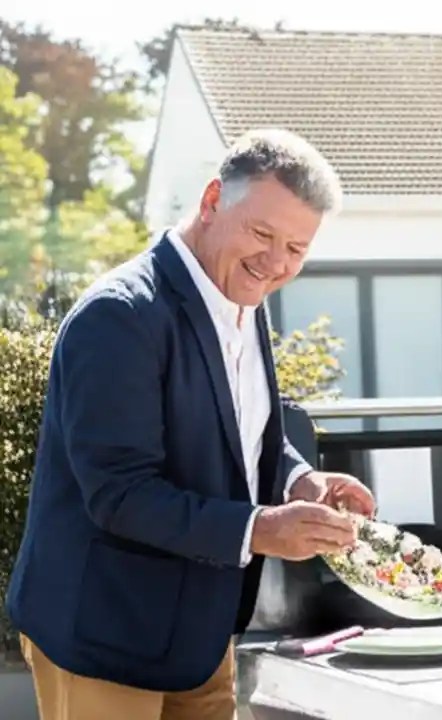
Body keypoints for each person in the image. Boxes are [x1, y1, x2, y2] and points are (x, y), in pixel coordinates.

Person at [5, 128, 377, 720]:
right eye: (262, 234)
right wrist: (260, 529)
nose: (276, 263)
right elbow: (120, 495)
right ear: (211, 201)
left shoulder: (241, 296)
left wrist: (298, 481)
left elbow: (246, 434)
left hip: (200, 637)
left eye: (297, 249)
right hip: (104, 636)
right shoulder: (119, 317)